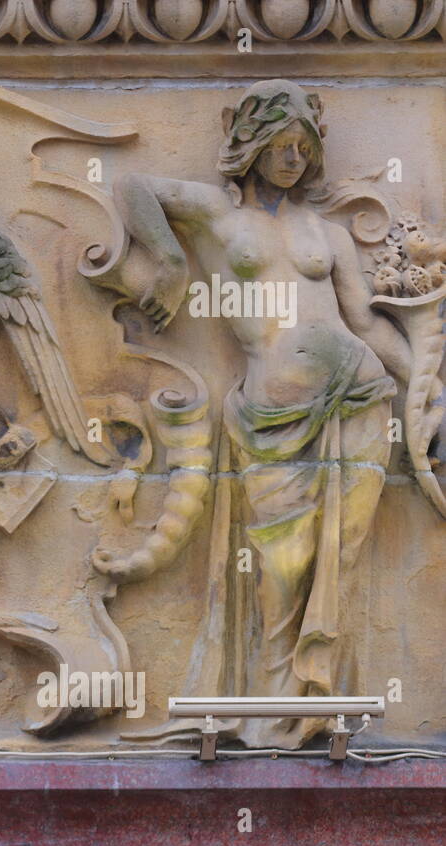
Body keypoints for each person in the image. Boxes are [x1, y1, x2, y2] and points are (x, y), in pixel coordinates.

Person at [114, 80, 411, 747]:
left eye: (304, 147)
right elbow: (134, 187)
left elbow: (364, 320)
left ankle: (320, 699)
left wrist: (427, 387)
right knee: (283, 560)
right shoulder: (219, 216)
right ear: (252, 144)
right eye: (282, 144)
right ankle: (274, 702)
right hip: (272, 417)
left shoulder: (325, 233)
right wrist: (166, 260)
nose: (293, 158)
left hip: (360, 398)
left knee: (341, 552)